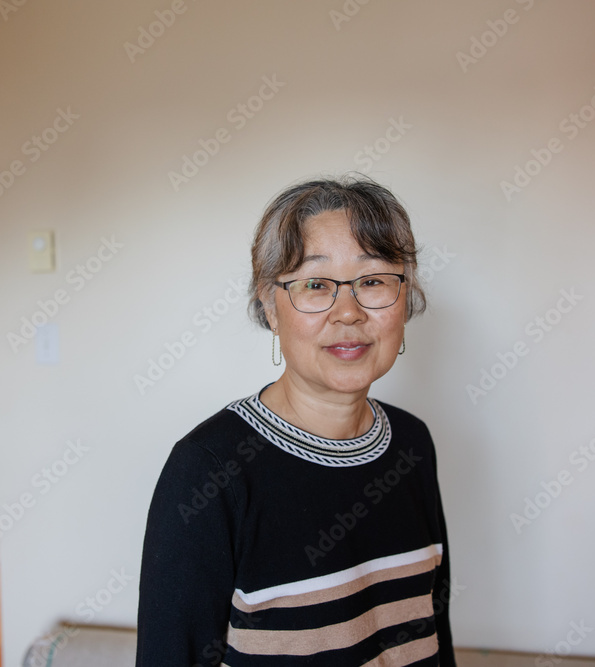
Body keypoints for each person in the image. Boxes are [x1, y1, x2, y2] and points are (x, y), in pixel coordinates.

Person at [136, 176, 456, 666]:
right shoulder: (209, 468)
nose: (347, 312)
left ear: (404, 297)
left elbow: (435, 633)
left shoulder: (412, 443)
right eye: (315, 284)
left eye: (372, 281)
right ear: (269, 302)